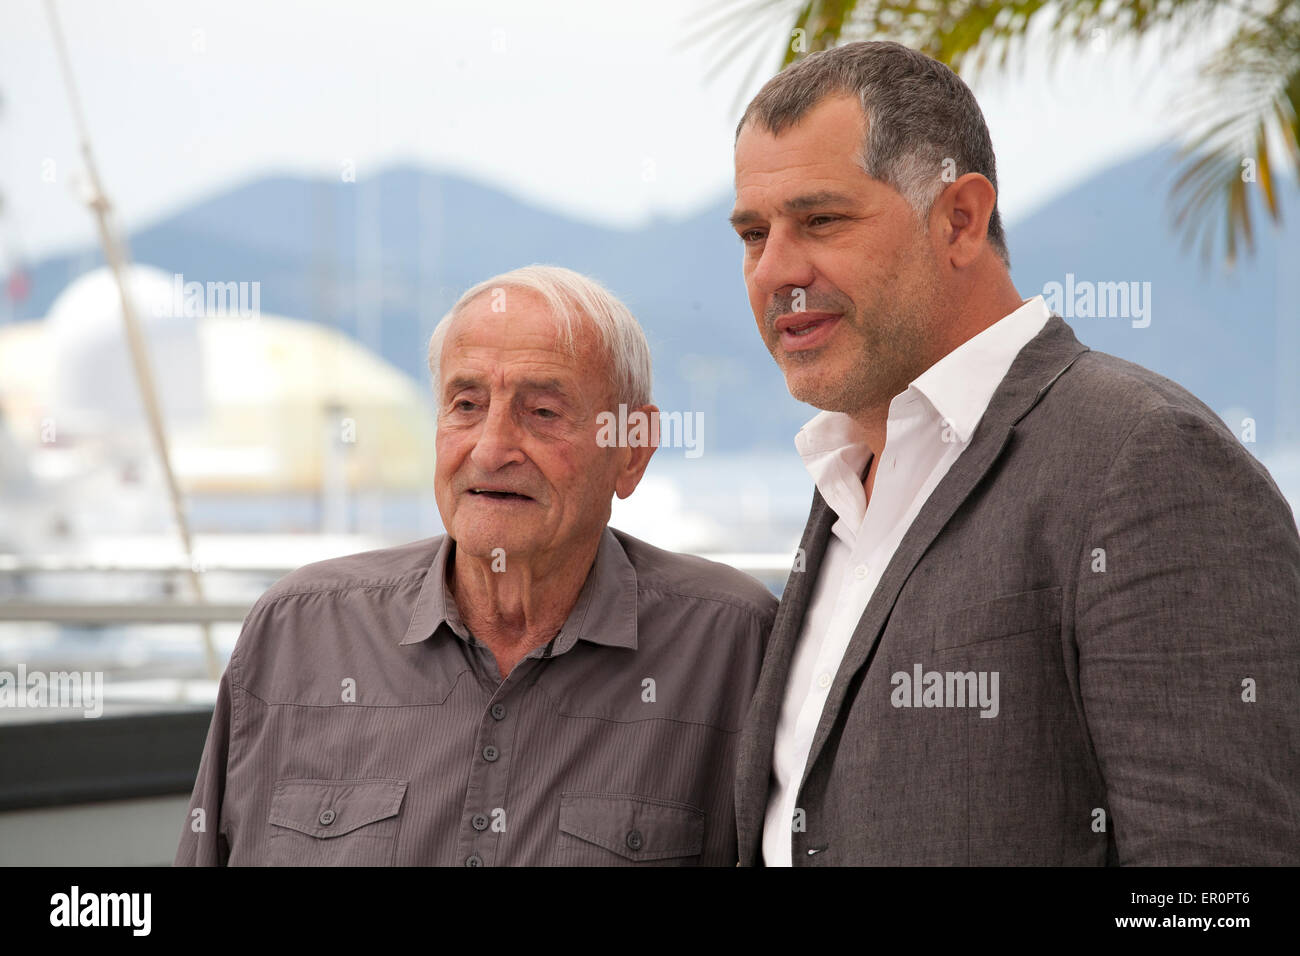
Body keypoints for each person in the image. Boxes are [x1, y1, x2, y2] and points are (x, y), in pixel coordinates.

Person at [728, 40, 1300, 865]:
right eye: (753, 233)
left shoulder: (1150, 462)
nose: (776, 270)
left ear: (959, 219)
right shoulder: (850, 478)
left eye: (821, 220)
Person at [175, 264, 775, 866]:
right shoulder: (297, 632)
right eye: (466, 404)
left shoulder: (732, 645)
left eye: (543, 412)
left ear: (632, 451)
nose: (490, 449)